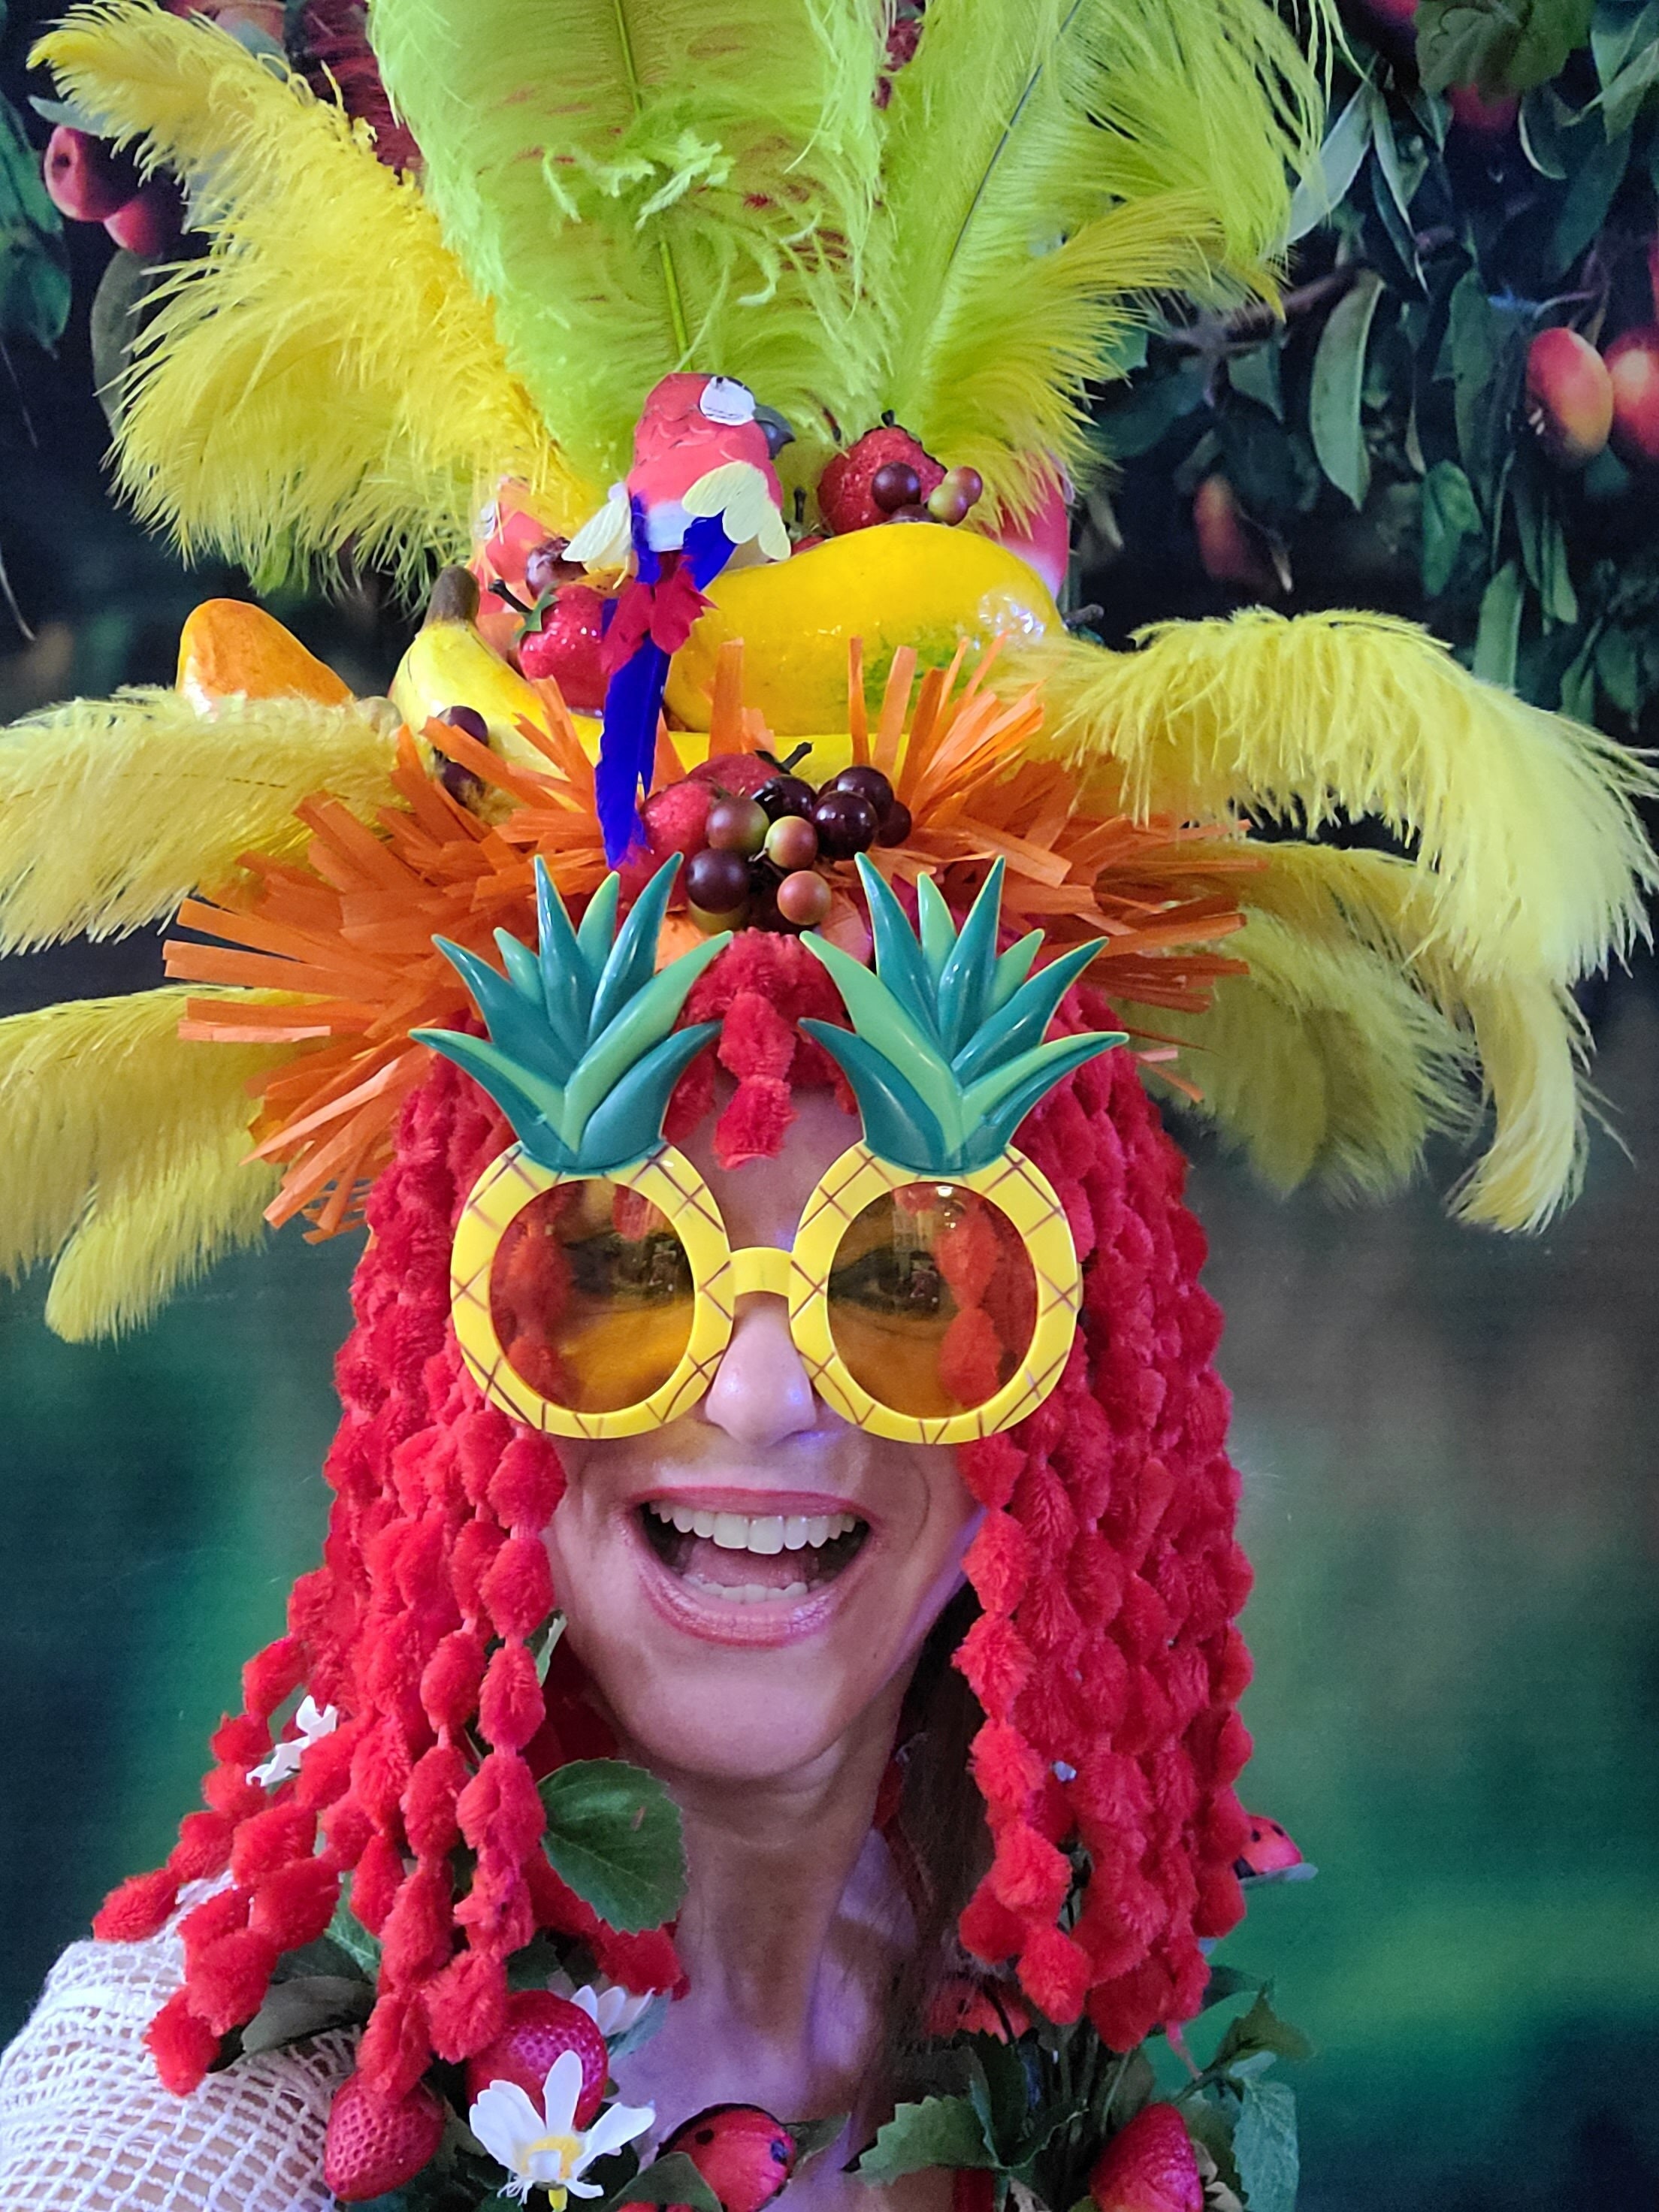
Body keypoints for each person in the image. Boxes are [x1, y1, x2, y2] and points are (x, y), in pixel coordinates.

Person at [0, 1, 1651, 2207]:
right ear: (457, 1361)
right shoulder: (164, 2142)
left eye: (905, 1270)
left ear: (1051, 1382)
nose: (770, 1406)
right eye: (618, 1263)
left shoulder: (1079, 2030)